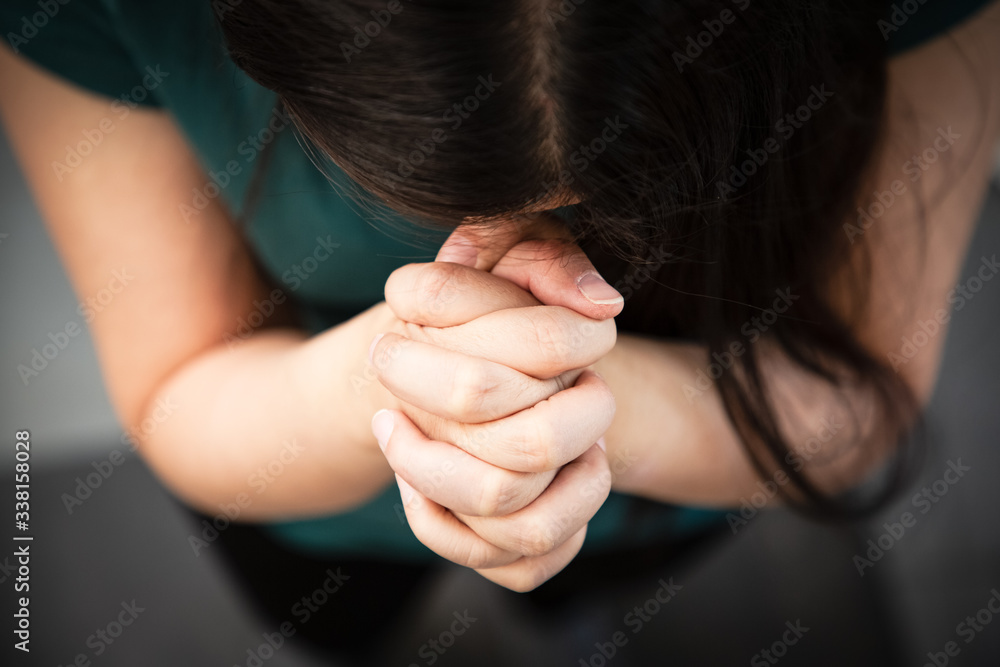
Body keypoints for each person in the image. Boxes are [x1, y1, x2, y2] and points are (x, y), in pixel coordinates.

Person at [2, 0, 998, 662]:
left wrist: (570, 403)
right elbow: (177, 387)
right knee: (336, 626)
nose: (524, 237)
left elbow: (863, 400)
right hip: (295, 493)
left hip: (667, 494)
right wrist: (401, 378)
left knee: (579, 596)